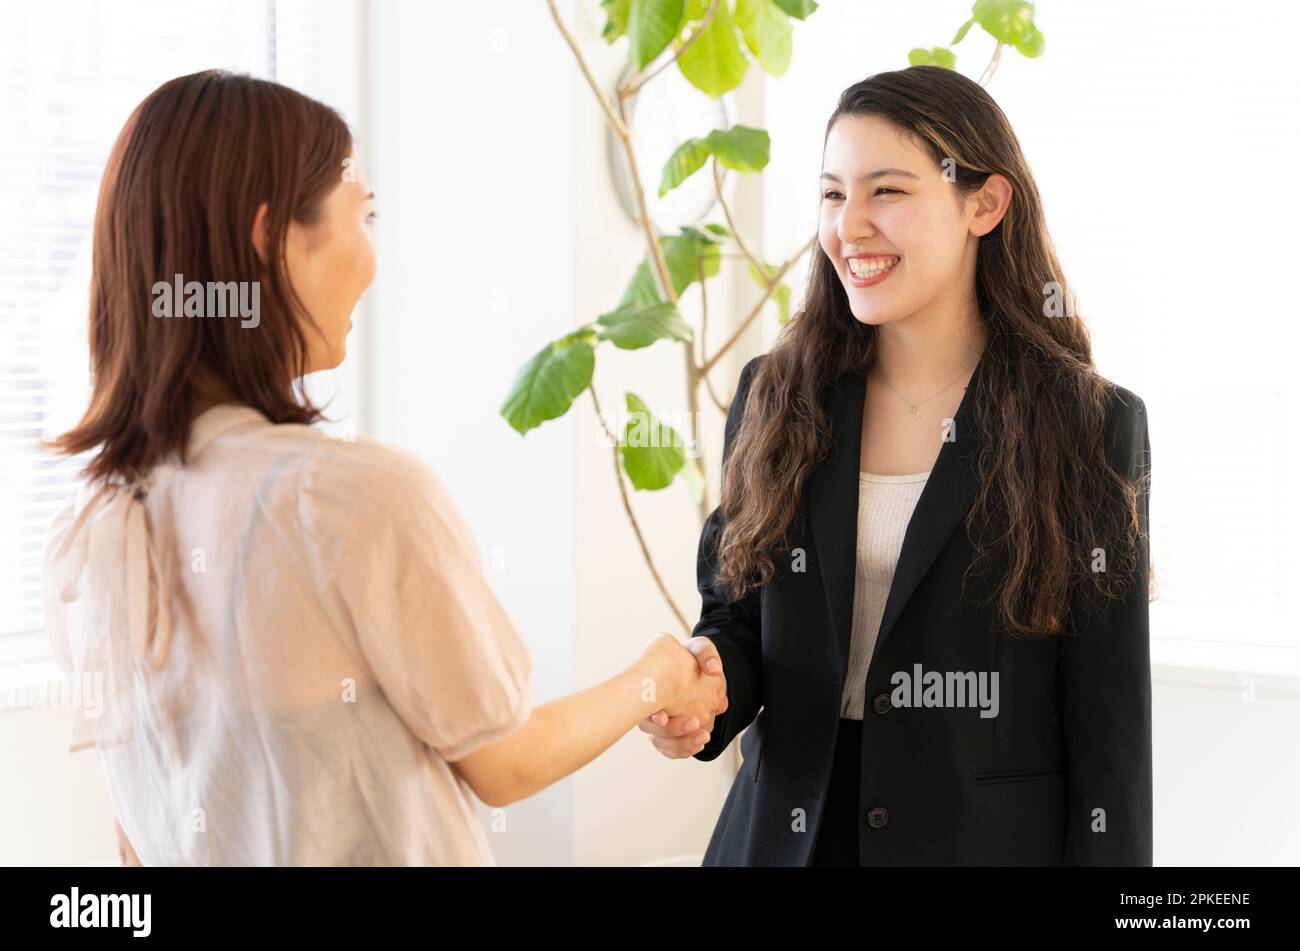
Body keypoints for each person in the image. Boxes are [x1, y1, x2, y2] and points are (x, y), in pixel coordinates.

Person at [42, 69, 724, 866]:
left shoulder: (91, 531)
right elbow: (504, 760)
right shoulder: (348, 497)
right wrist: (658, 674)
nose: (371, 258)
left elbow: (140, 837)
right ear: (272, 241)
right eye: (361, 215)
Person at [641, 66, 1154, 867]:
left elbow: (1109, 730)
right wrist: (706, 691)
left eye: (887, 191)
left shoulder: (1088, 426)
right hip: (784, 839)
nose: (850, 227)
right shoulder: (776, 394)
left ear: (984, 204)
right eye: (833, 195)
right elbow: (738, 618)